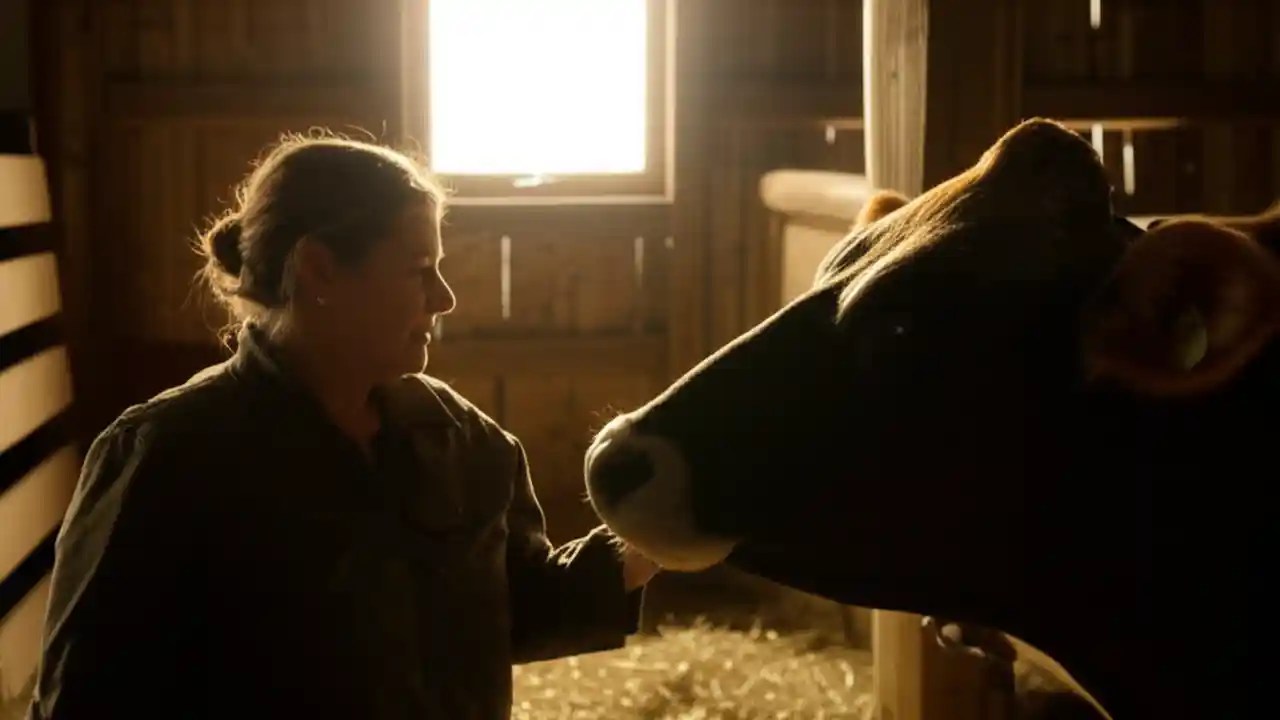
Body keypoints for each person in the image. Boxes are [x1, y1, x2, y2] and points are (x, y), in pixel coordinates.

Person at [26, 133, 660, 719]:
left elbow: (512, 609)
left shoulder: (461, 440)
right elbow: (85, 696)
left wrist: (657, 531)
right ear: (319, 269)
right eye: (419, 269)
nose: (444, 298)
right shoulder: (169, 457)